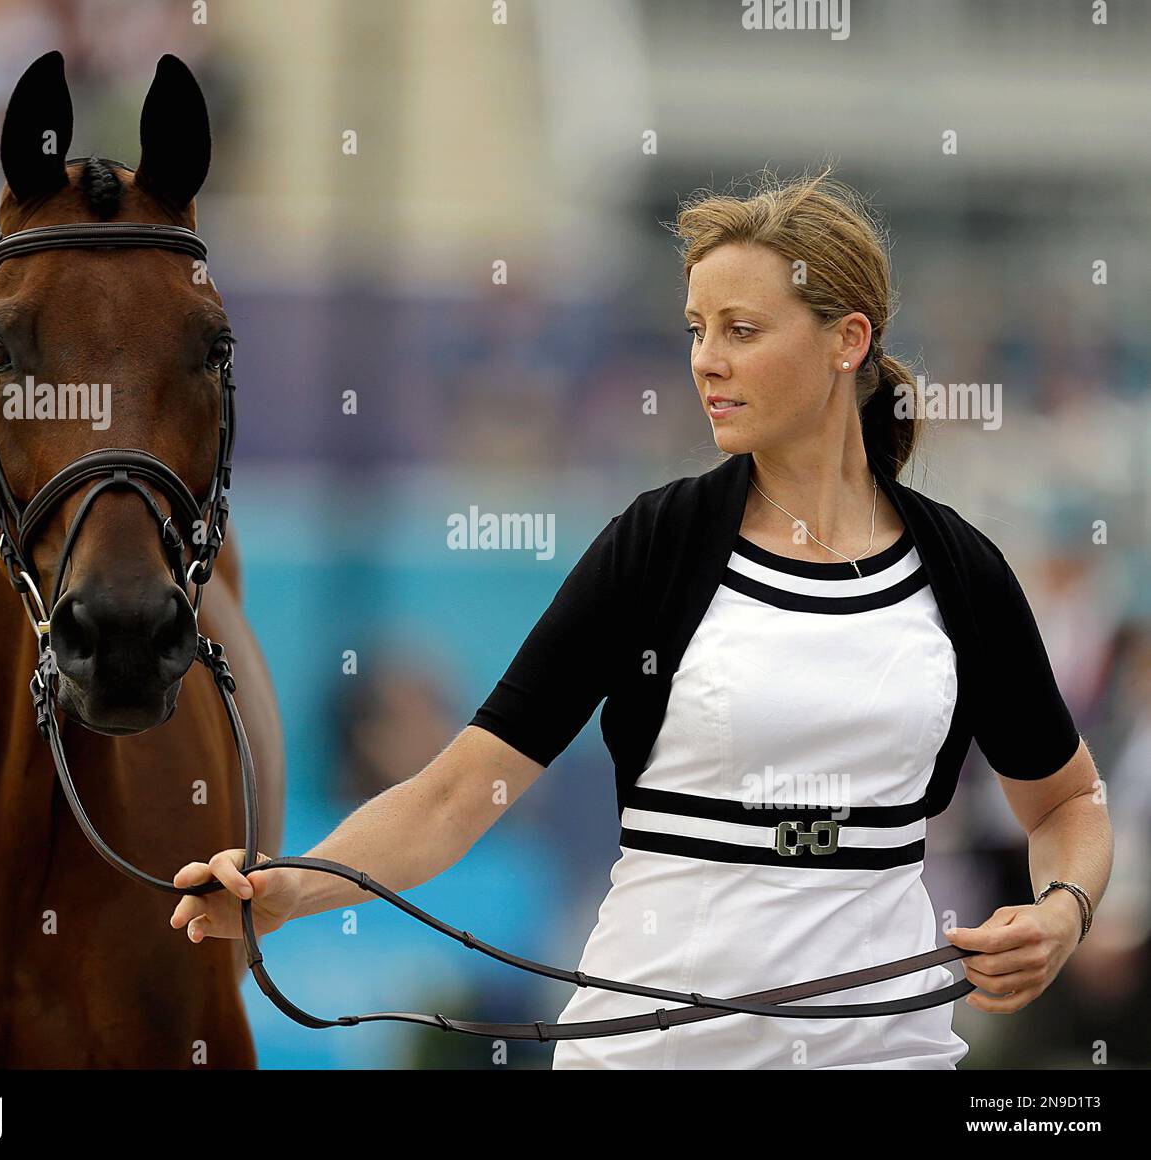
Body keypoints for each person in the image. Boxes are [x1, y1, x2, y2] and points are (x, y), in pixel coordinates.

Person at [168, 166, 1112, 1069]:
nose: (706, 359)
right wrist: (288, 889)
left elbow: (1069, 802)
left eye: (742, 329)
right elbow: (460, 793)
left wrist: (1062, 910)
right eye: (697, 328)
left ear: (847, 341)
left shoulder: (960, 571)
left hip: (891, 1054)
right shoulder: (657, 544)